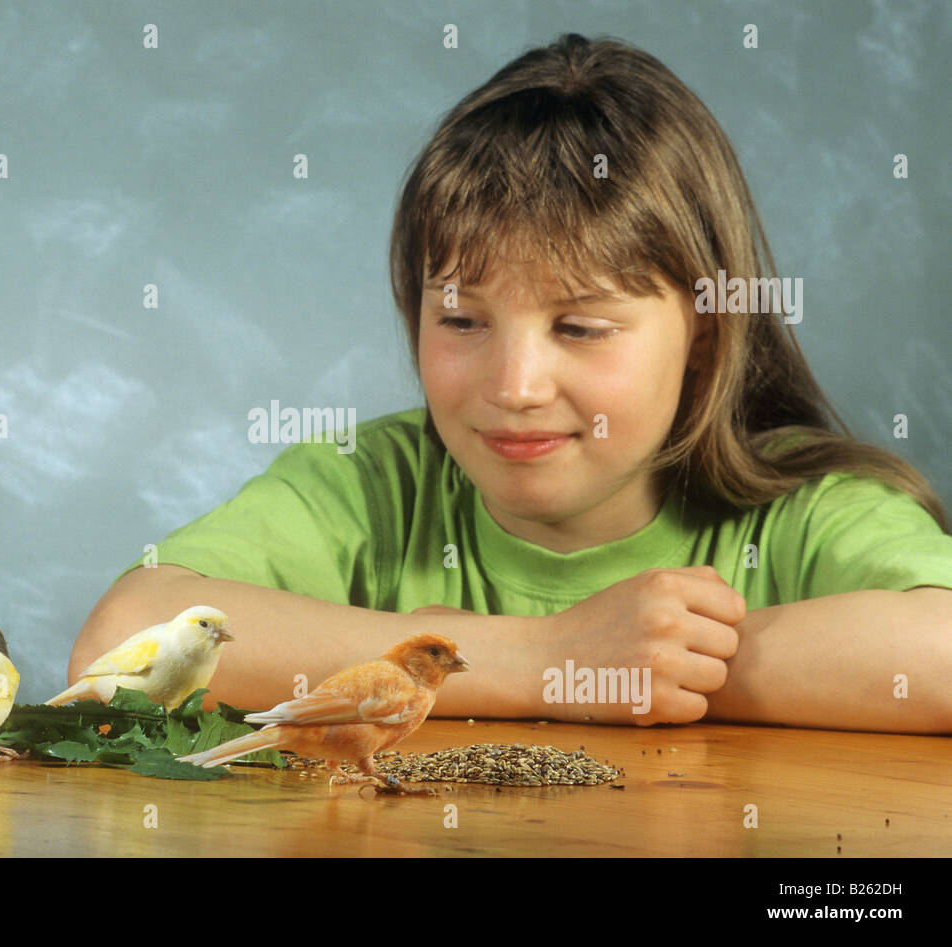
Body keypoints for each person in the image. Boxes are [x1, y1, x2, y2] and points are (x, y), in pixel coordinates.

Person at [68, 34, 952, 732]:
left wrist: (656, 671)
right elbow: (120, 645)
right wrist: (553, 659)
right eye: (461, 320)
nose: (517, 384)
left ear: (704, 331)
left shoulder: (806, 507)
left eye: (580, 327)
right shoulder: (370, 487)